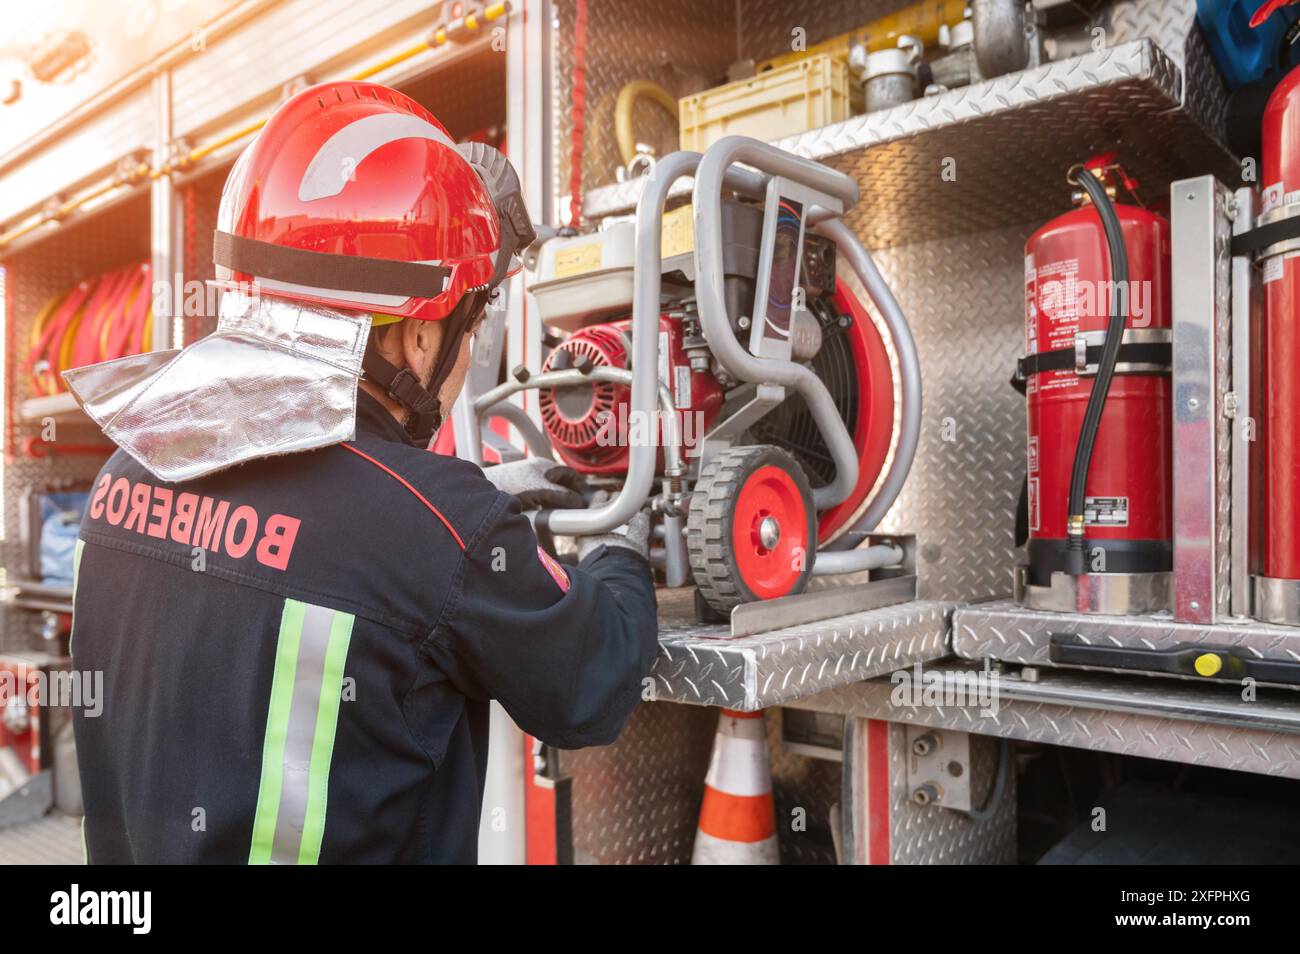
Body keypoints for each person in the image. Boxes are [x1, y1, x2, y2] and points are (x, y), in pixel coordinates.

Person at [63, 81, 658, 864]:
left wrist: (481, 528)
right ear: (418, 339)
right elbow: (594, 682)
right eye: (469, 328)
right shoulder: (437, 529)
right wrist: (623, 545)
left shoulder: (125, 472)